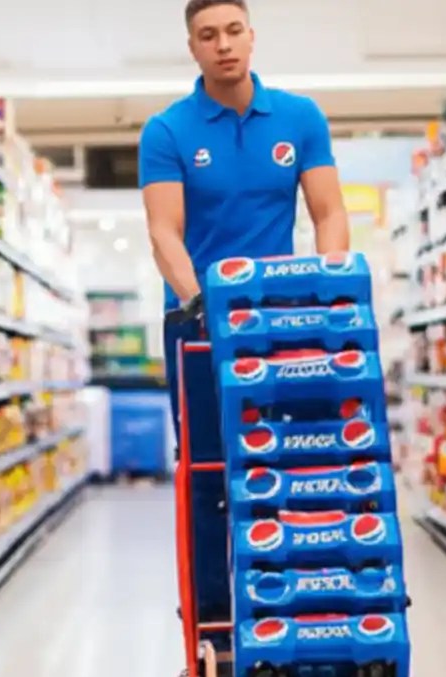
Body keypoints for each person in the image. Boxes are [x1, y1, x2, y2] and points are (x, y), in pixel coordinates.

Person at [138, 0, 350, 436]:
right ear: (193, 47)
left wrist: (329, 288)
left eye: (234, 30)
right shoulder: (166, 130)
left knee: (293, 451)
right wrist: (200, 303)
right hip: (196, 317)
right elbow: (163, 232)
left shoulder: (300, 117)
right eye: (208, 35)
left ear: (252, 37)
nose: (224, 45)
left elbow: (328, 212)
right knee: (208, 464)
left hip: (281, 314)